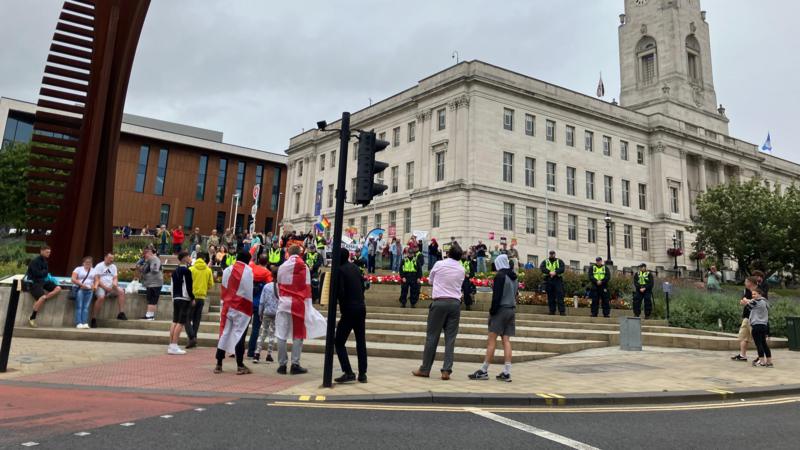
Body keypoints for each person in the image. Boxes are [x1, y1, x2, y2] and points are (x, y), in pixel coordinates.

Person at [413, 243, 465, 380]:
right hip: (455, 304)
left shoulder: (439, 264)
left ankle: (425, 369)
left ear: (448, 253)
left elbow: (430, 281)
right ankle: (446, 370)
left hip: (439, 302)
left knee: (432, 337)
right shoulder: (461, 269)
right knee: (450, 339)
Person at [275, 245, 327, 375]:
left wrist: (281, 299)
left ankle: (282, 365)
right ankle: (295, 364)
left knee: (281, 334)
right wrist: (309, 306)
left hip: (284, 303)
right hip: (298, 304)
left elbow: (278, 286)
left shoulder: (282, 267)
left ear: (288, 253)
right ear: (300, 253)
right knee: (298, 335)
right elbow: (308, 288)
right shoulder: (304, 267)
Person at [468, 254, 517, 382]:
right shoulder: (514, 277)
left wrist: (492, 311)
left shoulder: (500, 276)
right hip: (511, 310)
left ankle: (484, 370)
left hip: (500, 310)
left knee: (491, 340)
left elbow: (497, 296)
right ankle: (507, 372)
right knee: (506, 340)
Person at [215, 252, 255, 375]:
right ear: (248, 260)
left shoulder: (227, 269)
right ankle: (240, 365)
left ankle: (219, 364)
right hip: (241, 308)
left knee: (225, 333)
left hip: (228, 305)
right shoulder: (248, 271)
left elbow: (224, 287)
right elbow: (248, 291)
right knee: (240, 335)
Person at [334, 250, 368, 384]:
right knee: (361, 341)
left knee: (339, 342)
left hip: (349, 310)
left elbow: (341, 292)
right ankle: (363, 374)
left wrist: (336, 299)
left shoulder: (340, 270)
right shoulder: (355, 268)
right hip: (361, 307)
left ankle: (348, 372)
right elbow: (362, 285)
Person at [26, 245, 63, 328]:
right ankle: (32, 317)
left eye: (49, 252)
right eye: (47, 252)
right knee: (41, 297)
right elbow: (37, 274)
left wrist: (43, 272)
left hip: (43, 281)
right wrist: (44, 272)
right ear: (41, 251)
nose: (48, 254)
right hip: (34, 283)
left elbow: (44, 273)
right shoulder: (34, 261)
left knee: (58, 288)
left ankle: (44, 298)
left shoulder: (45, 262)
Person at [90, 252, 127, 327]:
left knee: (121, 291)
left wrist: (115, 284)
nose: (111, 260)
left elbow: (115, 278)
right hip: (101, 286)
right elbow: (96, 279)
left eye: (112, 259)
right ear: (105, 258)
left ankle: (121, 313)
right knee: (101, 297)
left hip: (111, 287)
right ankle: (93, 318)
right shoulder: (99, 266)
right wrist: (105, 287)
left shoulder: (113, 267)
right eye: (110, 258)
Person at [187, 254, 214, 349]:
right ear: (204, 259)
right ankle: (194, 338)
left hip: (192, 297)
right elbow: (211, 284)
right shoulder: (208, 270)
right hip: (202, 297)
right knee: (196, 320)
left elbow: (187, 283)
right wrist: (204, 288)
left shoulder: (191, 269)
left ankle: (191, 337)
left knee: (187, 318)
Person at [741, 285, 773, 367]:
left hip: (756, 326)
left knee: (759, 344)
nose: (753, 296)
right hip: (764, 326)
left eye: (755, 294)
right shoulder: (765, 302)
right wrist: (748, 301)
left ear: (760, 294)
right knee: (764, 344)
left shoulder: (756, 302)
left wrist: (745, 302)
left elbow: (748, 307)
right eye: (752, 294)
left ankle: (761, 362)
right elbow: (752, 303)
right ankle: (769, 362)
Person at [248, 254, 273, 358]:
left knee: (243, 327)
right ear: (267, 262)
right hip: (259, 304)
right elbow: (270, 287)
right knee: (256, 328)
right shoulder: (268, 273)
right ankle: (251, 351)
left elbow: (250, 258)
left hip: (248, 301)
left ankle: (236, 349)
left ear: (259, 260)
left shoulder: (252, 268)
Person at [254, 268, 279, 364]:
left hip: (267, 312)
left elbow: (262, 301)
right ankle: (269, 354)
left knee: (263, 332)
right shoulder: (281, 287)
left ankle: (257, 353)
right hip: (276, 313)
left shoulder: (266, 287)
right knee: (272, 333)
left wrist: (260, 312)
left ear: (272, 275)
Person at [732, 276, 760, 362]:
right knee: (743, 336)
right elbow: (742, 301)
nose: (745, 283)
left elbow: (759, 302)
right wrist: (747, 301)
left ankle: (761, 356)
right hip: (746, 317)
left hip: (755, 318)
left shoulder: (759, 290)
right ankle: (742, 355)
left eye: (746, 281)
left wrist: (747, 301)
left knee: (757, 338)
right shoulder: (746, 290)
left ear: (750, 283)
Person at [70, 256, 96, 329]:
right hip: (80, 289)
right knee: (79, 306)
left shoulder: (94, 270)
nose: (88, 264)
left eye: (90, 262)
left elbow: (96, 280)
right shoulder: (78, 269)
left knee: (86, 307)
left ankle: (85, 322)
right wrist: (82, 285)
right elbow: (73, 279)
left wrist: (94, 287)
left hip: (89, 290)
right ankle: (79, 322)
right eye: (87, 262)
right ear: (83, 263)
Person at [139, 246, 163, 320]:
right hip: (151, 283)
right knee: (151, 299)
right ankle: (149, 315)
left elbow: (154, 270)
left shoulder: (154, 259)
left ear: (149, 253)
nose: (144, 255)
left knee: (153, 300)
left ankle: (150, 316)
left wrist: (145, 267)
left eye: (146, 253)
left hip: (155, 283)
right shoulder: (150, 260)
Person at [540, 250, 566, 316]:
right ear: (549, 254)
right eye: (551, 254)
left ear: (555, 254)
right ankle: (552, 311)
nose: (552, 255)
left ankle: (562, 311)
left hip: (558, 280)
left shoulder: (559, 261)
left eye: (553, 254)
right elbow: (542, 268)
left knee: (560, 296)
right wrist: (549, 272)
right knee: (550, 297)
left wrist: (555, 272)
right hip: (549, 280)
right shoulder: (545, 261)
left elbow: (562, 268)